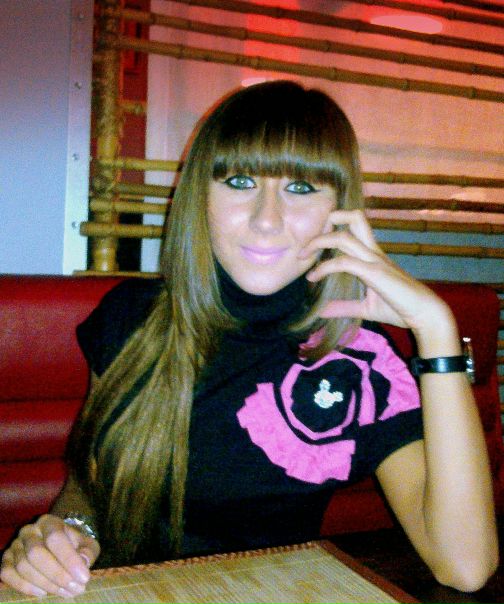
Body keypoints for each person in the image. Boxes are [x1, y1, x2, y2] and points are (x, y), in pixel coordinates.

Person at [0, 80, 498, 598]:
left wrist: (436, 329)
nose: (267, 219)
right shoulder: (132, 316)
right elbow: (90, 481)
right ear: (201, 197)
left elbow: (465, 566)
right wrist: (63, 535)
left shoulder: (360, 359)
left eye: (300, 188)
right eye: (240, 181)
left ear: (341, 209)